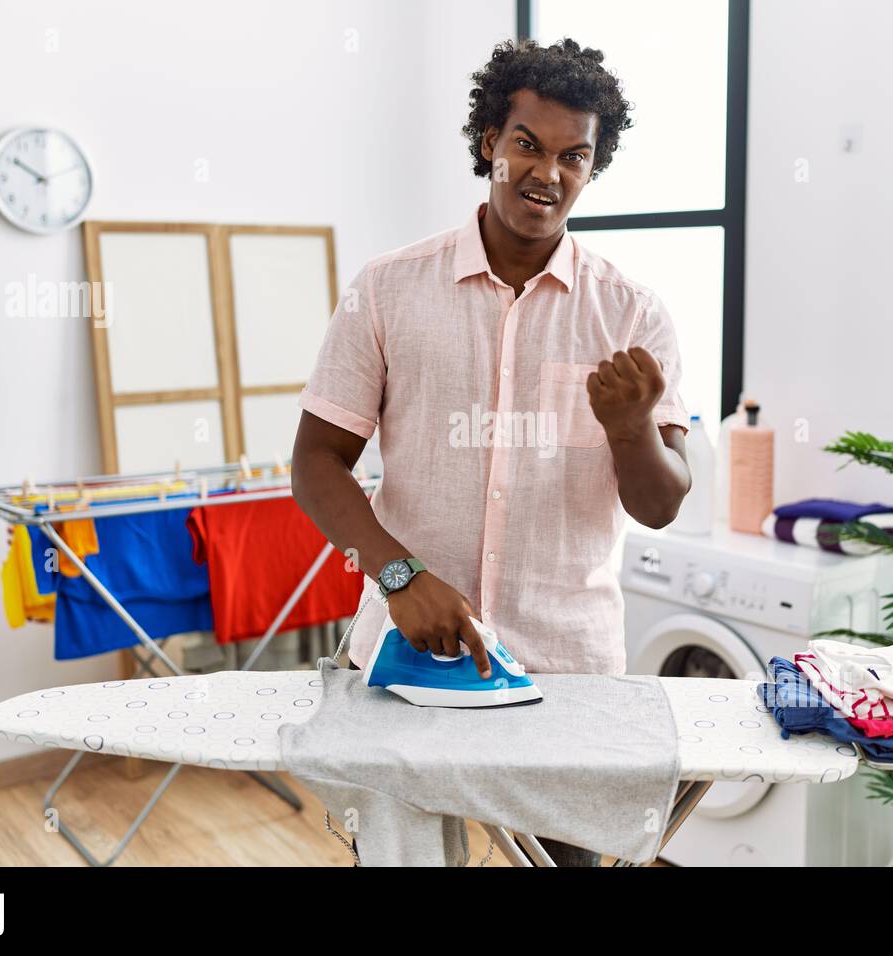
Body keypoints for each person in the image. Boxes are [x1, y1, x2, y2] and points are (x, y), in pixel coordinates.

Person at [292, 37, 692, 867]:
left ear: (593, 166)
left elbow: (659, 503)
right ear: (488, 143)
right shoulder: (389, 288)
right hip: (407, 662)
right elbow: (316, 463)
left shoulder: (631, 315)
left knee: (568, 862)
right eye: (527, 145)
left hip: (569, 667)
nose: (547, 172)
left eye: (572, 155)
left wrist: (629, 428)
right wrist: (398, 575)